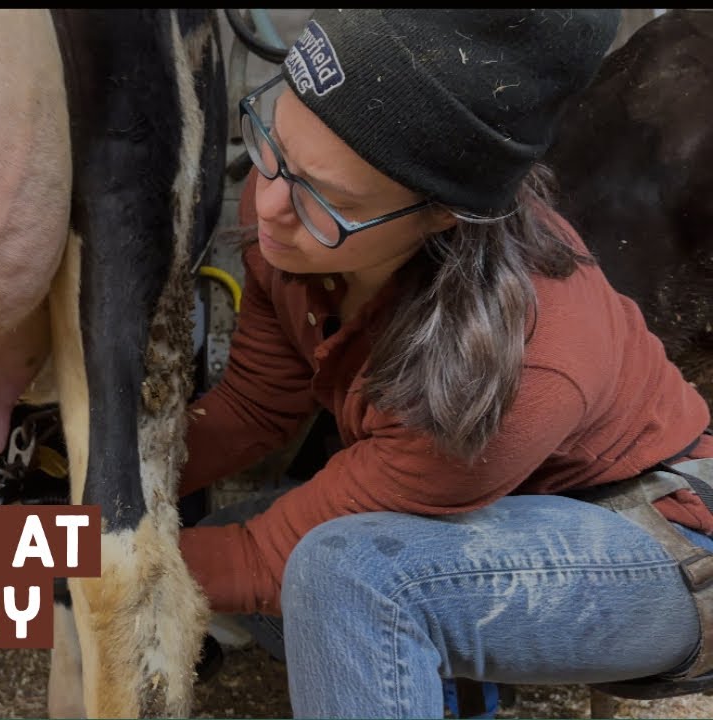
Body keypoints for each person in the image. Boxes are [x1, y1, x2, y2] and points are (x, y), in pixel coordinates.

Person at [177, 8, 713, 718]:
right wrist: (94, 493)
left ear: (442, 214)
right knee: (253, 551)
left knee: (340, 575)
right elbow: (252, 407)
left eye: (325, 198)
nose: (270, 204)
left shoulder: (526, 361)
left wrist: (63, 559)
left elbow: (270, 559)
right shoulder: (288, 219)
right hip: (503, 515)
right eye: (273, 145)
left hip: (657, 540)